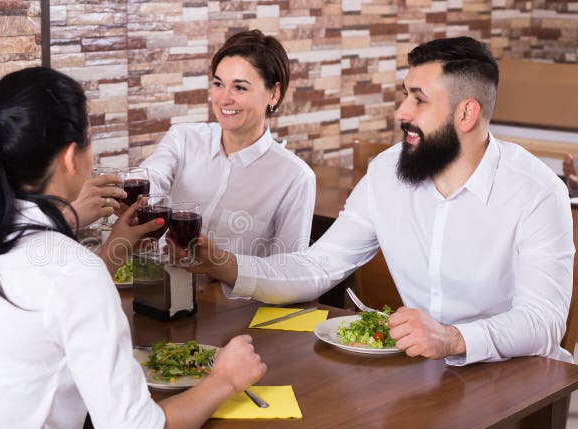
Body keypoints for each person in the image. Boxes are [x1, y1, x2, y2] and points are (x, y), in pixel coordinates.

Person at [0, 67, 266, 429]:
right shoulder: (71, 271)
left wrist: (115, 247)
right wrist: (223, 380)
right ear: (70, 157)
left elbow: (47, 301)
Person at [176, 36, 573, 367]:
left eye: (418, 99)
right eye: (405, 95)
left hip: (513, 390)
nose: (401, 111)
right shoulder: (387, 172)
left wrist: (454, 339)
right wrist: (228, 266)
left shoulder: (536, 192)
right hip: (420, 377)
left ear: (466, 113)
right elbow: (319, 266)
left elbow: (543, 323)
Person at [141, 29, 316, 257]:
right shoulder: (183, 139)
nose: (224, 98)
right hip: (165, 287)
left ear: (274, 94)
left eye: (240, 87)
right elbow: (151, 177)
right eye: (218, 84)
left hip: (232, 294)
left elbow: (289, 273)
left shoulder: (295, 178)